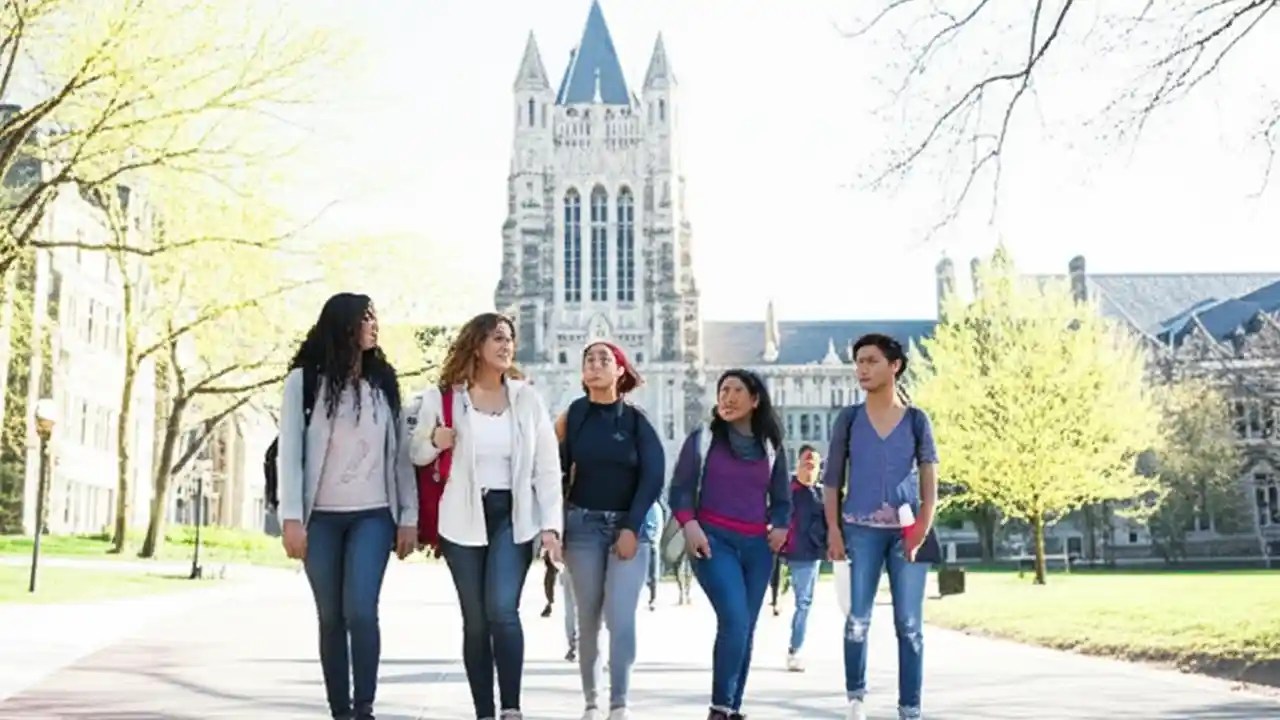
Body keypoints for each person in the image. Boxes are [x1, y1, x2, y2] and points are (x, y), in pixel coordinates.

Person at [409, 312, 563, 720]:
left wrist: (551, 526)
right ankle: (485, 712)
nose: (506, 345)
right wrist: (435, 440)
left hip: (513, 515)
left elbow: (547, 466)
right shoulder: (442, 398)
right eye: (497, 337)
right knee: (476, 621)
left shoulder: (526, 398)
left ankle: (511, 709)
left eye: (509, 338)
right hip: (462, 517)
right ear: (476, 344)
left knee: (502, 610)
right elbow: (415, 452)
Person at [276, 293, 418, 720]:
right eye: (366, 319)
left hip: (373, 515)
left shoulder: (384, 383)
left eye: (375, 318)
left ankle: (364, 707)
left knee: (360, 608)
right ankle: (340, 709)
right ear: (344, 326)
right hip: (320, 518)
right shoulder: (303, 383)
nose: (374, 326)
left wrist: (407, 517)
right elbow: (291, 452)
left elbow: (401, 456)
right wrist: (291, 519)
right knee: (331, 617)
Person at [823, 333, 939, 720]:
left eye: (871, 361)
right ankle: (856, 695)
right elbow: (832, 480)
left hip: (908, 533)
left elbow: (929, 476)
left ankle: (910, 708)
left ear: (895, 366)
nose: (862, 369)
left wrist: (925, 522)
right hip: (860, 529)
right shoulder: (849, 419)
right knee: (858, 619)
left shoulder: (917, 421)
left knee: (909, 625)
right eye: (858, 362)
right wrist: (834, 531)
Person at [669, 369, 791, 720]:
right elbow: (679, 489)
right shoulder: (703, 439)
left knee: (746, 627)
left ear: (755, 400)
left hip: (757, 548)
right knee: (735, 619)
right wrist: (689, 525)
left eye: (737, 390)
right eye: (723, 390)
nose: (728, 396)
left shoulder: (771, 447)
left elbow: (782, 499)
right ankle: (719, 708)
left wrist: (781, 527)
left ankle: (732, 707)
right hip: (712, 542)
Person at [555, 341, 664, 720]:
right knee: (588, 618)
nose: (596, 364)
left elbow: (653, 475)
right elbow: (554, 469)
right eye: (589, 359)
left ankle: (619, 702)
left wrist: (632, 526)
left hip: (627, 527)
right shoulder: (574, 415)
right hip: (582, 526)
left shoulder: (636, 420)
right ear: (582, 372)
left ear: (620, 370)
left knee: (621, 616)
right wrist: (554, 528)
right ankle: (590, 701)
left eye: (605, 359)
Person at [781, 444, 826, 672]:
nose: (810, 468)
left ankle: (795, 649)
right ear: (797, 463)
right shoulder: (787, 490)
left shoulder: (820, 495)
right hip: (781, 551)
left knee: (804, 602)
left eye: (814, 464)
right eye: (806, 463)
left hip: (808, 555)